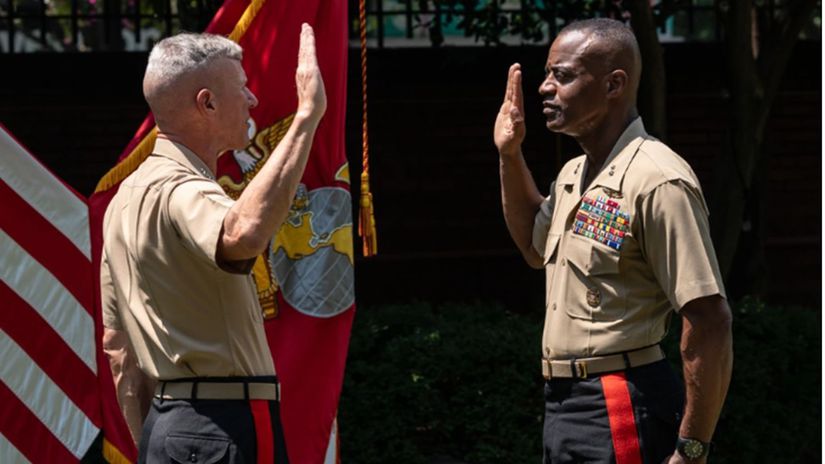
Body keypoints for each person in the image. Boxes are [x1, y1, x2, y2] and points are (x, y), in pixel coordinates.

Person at [493, 18, 732, 464]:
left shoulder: (658, 180)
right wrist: (509, 155)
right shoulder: (573, 175)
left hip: (620, 398)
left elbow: (709, 318)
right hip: (564, 403)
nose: (545, 88)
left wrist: (692, 450)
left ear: (613, 84)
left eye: (561, 75)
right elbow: (532, 246)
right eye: (547, 74)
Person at [100, 24, 326, 463]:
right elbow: (241, 236)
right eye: (243, 88)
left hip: (165, 428)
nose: (253, 100)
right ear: (207, 102)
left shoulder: (121, 202)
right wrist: (306, 117)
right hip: (226, 425)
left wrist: (161, 442)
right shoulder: (182, 188)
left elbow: (119, 351)